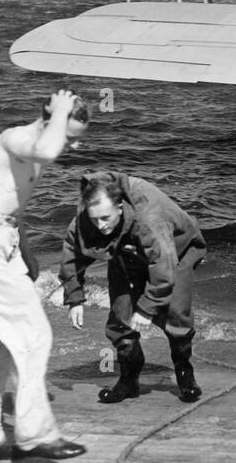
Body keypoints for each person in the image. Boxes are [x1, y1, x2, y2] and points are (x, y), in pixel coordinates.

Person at [0, 90, 90, 463]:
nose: (73, 147)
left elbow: (10, 205)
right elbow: (46, 149)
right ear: (49, 121)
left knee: (1, 345)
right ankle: (34, 435)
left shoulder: (32, 152)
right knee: (35, 335)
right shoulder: (17, 139)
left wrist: (24, 251)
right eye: (71, 137)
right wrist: (60, 111)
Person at [59, 171, 207, 404]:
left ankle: (184, 373)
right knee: (120, 319)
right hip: (126, 251)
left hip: (175, 252)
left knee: (176, 314)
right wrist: (74, 298)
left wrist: (147, 307)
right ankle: (128, 380)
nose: (100, 225)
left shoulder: (150, 217)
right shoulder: (90, 212)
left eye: (105, 218)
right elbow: (71, 251)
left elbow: (162, 266)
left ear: (119, 207)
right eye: (94, 219)